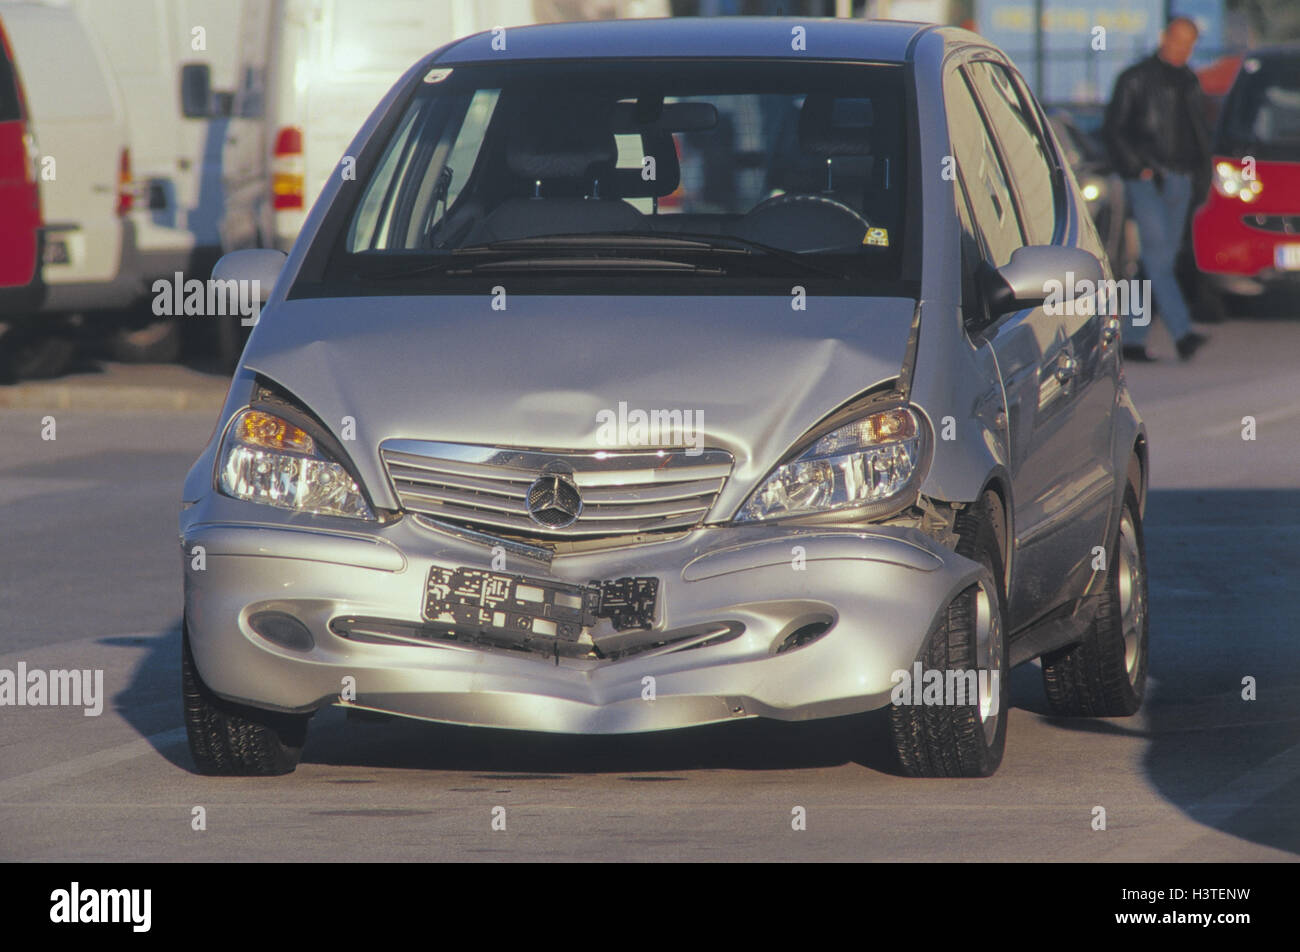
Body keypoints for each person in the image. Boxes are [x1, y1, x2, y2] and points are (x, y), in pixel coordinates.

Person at [1102, 16, 1212, 362]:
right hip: (1147, 180)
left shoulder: (1190, 81)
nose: (1182, 48)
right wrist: (1139, 169)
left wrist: (1200, 176)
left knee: (1154, 262)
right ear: (1165, 37)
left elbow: (1199, 133)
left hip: (1181, 180)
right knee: (1158, 257)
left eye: (1189, 42)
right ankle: (1182, 333)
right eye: (1178, 39)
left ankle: (1133, 340)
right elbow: (1114, 129)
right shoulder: (1134, 78)